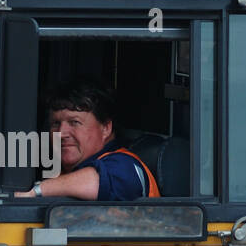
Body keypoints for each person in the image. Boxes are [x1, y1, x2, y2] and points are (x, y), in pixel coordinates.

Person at [14, 79, 159, 200]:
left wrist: (36, 191)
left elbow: (96, 182)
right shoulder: (61, 174)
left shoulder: (125, 164)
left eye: (74, 122)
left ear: (106, 128)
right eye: (56, 123)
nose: (61, 133)